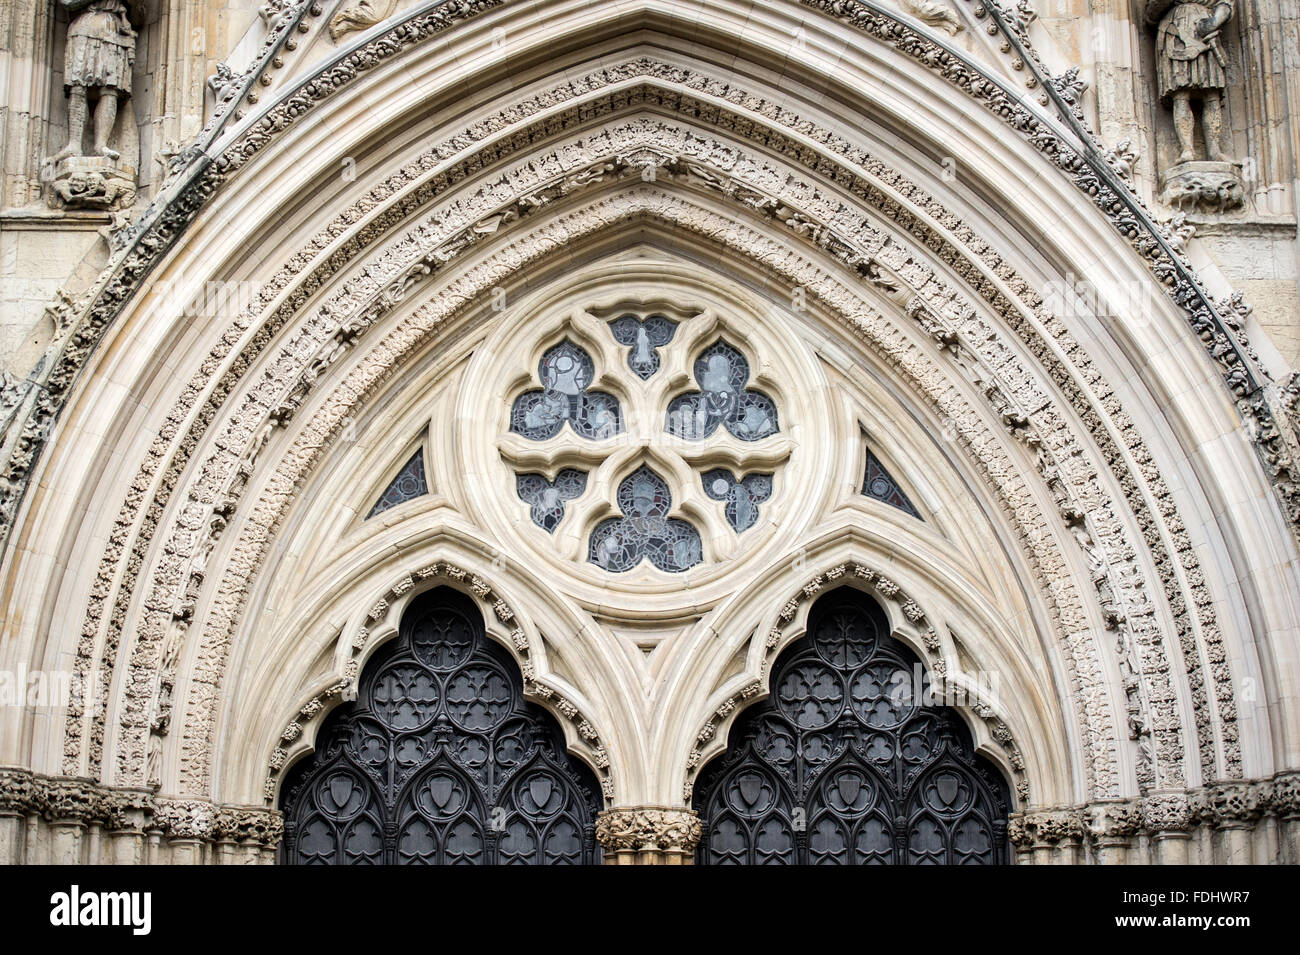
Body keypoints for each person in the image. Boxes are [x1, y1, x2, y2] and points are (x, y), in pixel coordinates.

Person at [1146, 1, 1234, 164]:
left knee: (1211, 93)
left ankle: (1215, 151)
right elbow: (1151, 14)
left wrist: (1215, 21)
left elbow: (1226, 3)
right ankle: (1187, 149)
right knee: (1181, 94)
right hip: (1176, 34)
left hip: (1206, 33)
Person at [50, 0, 137, 163]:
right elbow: (68, 2)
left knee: (110, 88)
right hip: (84, 26)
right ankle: (74, 144)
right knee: (78, 86)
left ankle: (101, 144)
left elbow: (140, 13)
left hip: (114, 29)